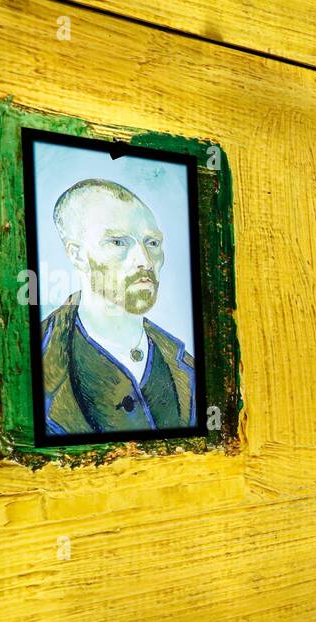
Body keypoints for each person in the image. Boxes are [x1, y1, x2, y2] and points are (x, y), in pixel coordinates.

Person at [41, 179, 195, 435]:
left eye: (152, 243)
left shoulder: (185, 367)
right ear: (77, 254)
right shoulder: (33, 360)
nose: (144, 261)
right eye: (118, 242)